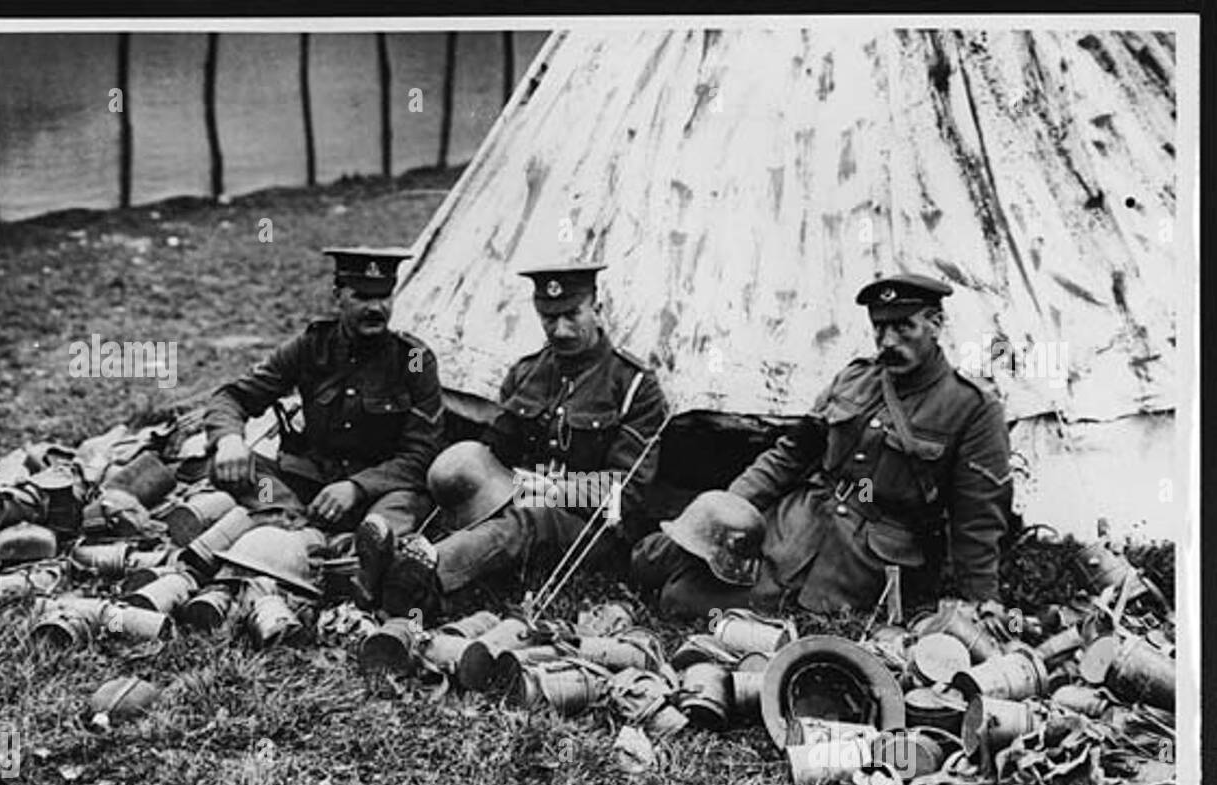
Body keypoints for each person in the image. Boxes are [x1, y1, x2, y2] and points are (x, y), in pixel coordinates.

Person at [632, 274, 1012, 617]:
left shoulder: (971, 409)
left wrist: (981, 602)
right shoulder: (854, 379)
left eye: (903, 327)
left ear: (935, 324)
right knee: (653, 559)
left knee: (681, 599)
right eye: (880, 328)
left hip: (866, 561)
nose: (888, 341)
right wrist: (726, 513)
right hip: (796, 524)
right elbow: (791, 455)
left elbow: (977, 519)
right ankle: (663, 556)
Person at [376, 263, 669, 619]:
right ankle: (385, 561)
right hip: (514, 499)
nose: (560, 330)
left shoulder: (634, 385)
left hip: (590, 526)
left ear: (598, 307)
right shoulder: (527, 372)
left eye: (572, 314)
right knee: (457, 482)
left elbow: (627, 492)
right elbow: (498, 451)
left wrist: (547, 490)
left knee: (526, 519)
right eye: (548, 318)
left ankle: (423, 577)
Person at [204, 247, 445, 604]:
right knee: (238, 470)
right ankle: (300, 530)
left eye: (383, 297)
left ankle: (359, 556)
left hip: (380, 492)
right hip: (307, 490)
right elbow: (232, 397)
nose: (375, 309)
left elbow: (423, 452)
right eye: (362, 297)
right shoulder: (310, 347)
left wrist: (357, 487)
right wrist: (228, 441)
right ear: (338, 297)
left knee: (402, 505)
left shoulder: (412, 360)